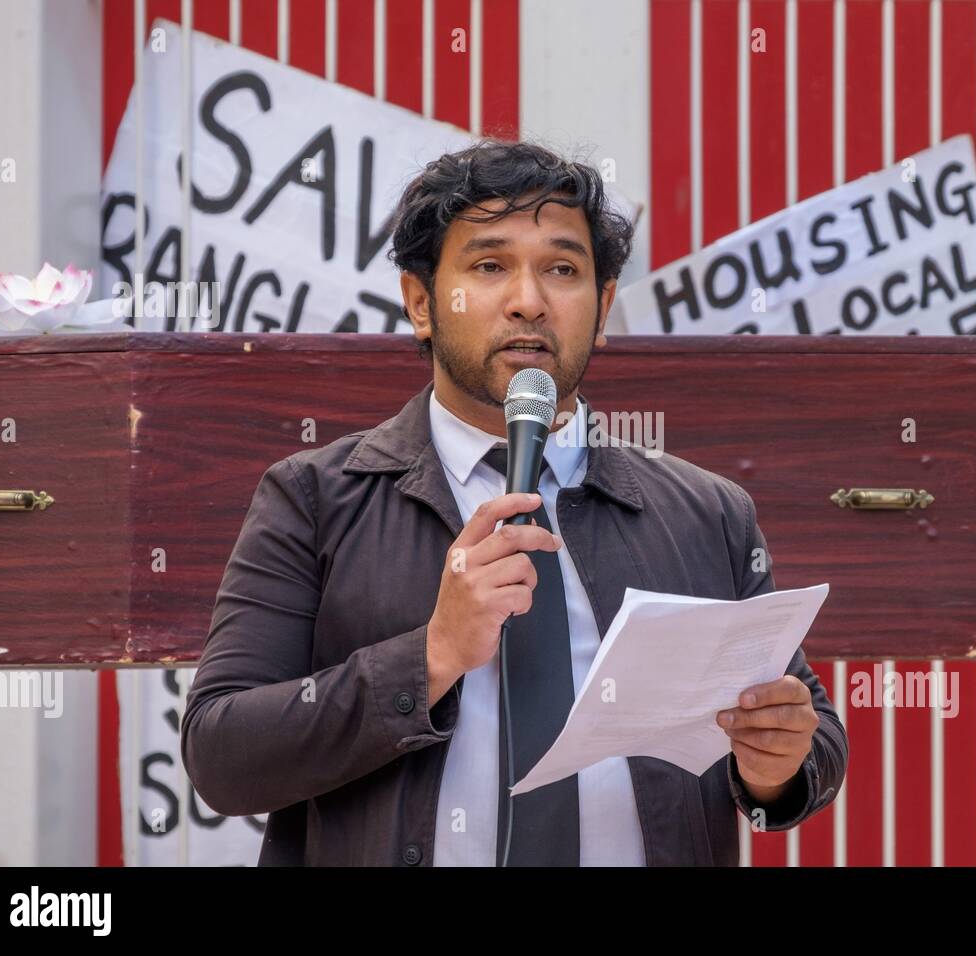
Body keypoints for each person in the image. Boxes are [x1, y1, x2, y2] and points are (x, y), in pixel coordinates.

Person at [180, 139, 848, 866]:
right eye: (490, 266)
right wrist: (431, 657)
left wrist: (776, 764)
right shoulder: (314, 499)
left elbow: (809, 731)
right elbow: (222, 756)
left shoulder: (707, 514)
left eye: (563, 270)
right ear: (421, 302)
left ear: (602, 309)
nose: (529, 301)